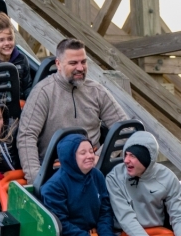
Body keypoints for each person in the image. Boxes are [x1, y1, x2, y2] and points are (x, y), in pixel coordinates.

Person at [18, 38, 127, 184]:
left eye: (83, 62)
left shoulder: (96, 90)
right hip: (57, 172)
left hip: (95, 169)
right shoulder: (43, 93)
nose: (81, 68)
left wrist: (101, 157)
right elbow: (26, 136)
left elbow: (126, 129)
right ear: (58, 64)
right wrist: (37, 180)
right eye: (73, 63)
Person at [40, 133, 116, 236]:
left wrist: (106, 235)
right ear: (70, 157)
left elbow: (105, 210)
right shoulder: (54, 187)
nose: (89, 156)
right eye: (83, 153)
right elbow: (62, 225)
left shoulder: (97, 175)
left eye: (91, 151)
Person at [107, 131, 181, 236]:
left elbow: (178, 214)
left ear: (145, 158)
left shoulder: (167, 177)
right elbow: (127, 219)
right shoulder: (115, 177)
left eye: (132, 156)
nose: (126, 160)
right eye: (126, 154)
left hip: (159, 234)